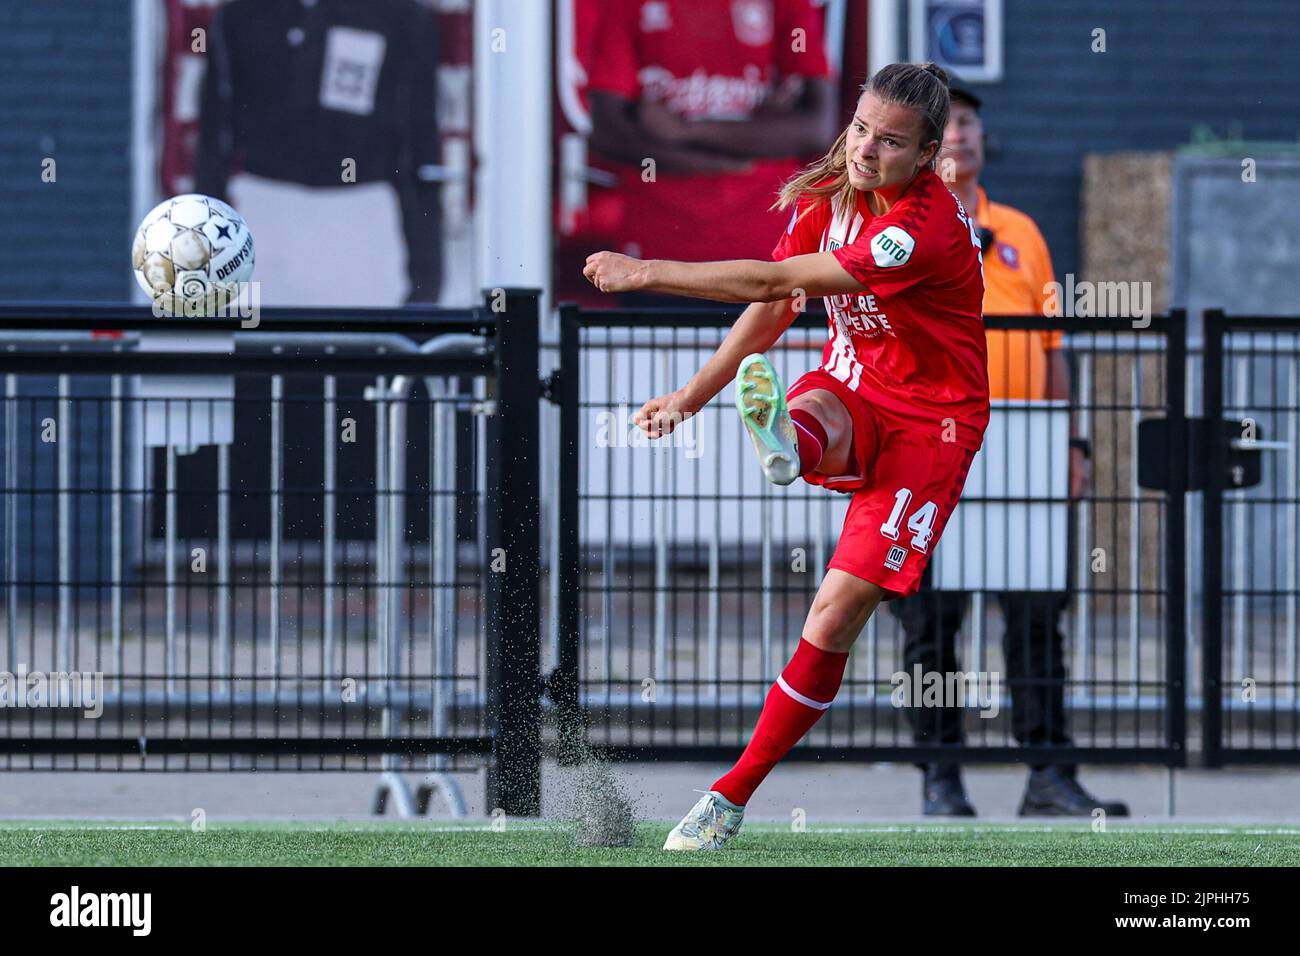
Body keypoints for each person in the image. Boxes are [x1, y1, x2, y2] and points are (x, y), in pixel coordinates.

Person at [585, 62, 988, 850]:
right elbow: (775, 305)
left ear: (928, 154)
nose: (867, 150)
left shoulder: (920, 226)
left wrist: (646, 272)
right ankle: (787, 441)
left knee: (834, 616)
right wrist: (691, 397)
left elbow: (771, 276)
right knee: (813, 404)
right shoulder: (828, 194)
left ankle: (728, 799)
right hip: (855, 384)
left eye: (890, 142)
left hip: (933, 427)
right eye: (861, 128)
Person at [890, 82, 1128, 818]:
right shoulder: (897, 229)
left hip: (1020, 445)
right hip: (931, 449)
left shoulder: (1022, 232)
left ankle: (1048, 773)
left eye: (968, 124)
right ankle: (941, 776)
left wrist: (1072, 441)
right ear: (924, 146)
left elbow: (1053, 349)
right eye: (945, 125)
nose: (960, 136)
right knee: (932, 620)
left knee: (1034, 616)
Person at [585, 0, 837, 268]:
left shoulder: (788, 6)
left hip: (767, 255)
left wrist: (683, 131)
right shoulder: (627, 6)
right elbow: (608, 135)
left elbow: (817, 129)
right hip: (657, 254)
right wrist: (745, 144)